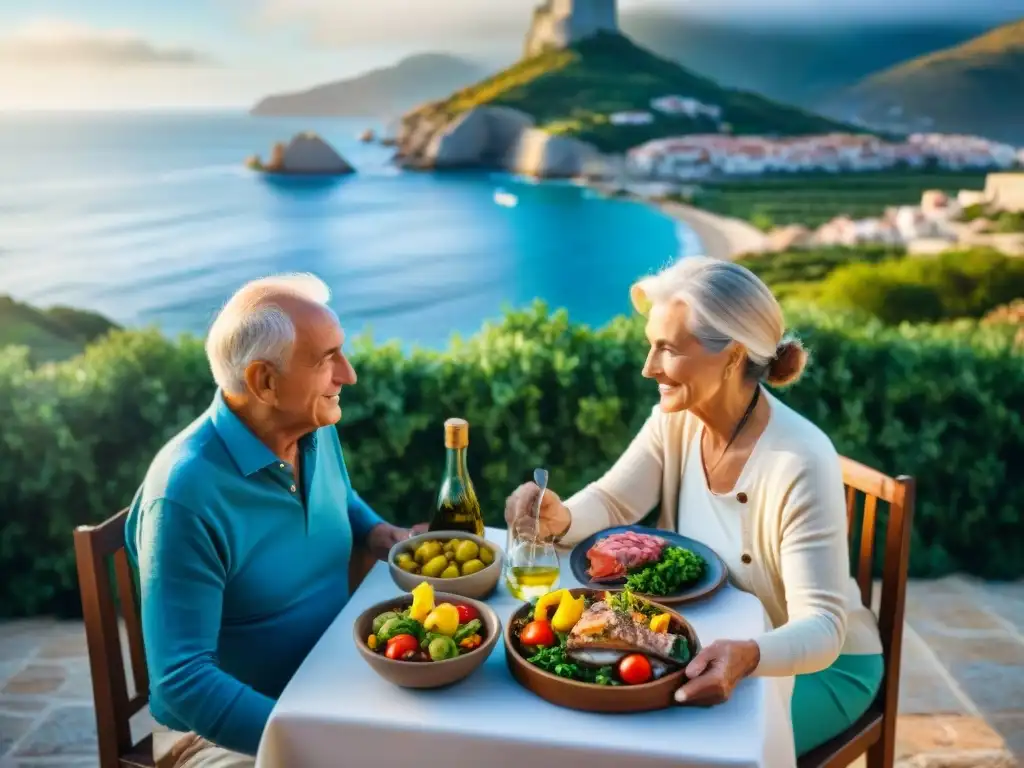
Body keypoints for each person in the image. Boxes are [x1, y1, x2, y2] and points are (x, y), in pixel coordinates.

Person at [504, 256, 884, 757]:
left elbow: (824, 629)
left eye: (667, 349)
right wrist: (562, 517)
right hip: (715, 639)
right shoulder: (677, 418)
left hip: (816, 667)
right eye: (650, 346)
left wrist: (748, 655)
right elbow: (616, 499)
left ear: (730, 357)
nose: (648, 367)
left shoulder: (799, 459)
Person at [125, 273, 423, 768]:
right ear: (264, 381)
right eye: (327, 359)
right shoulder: (184, 495)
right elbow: (182, 684)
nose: (347, 374)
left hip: (335, 683)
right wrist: (314, 738)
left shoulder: (310, 428)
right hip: (229, 735)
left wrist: (374, 531)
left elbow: (339, 495)